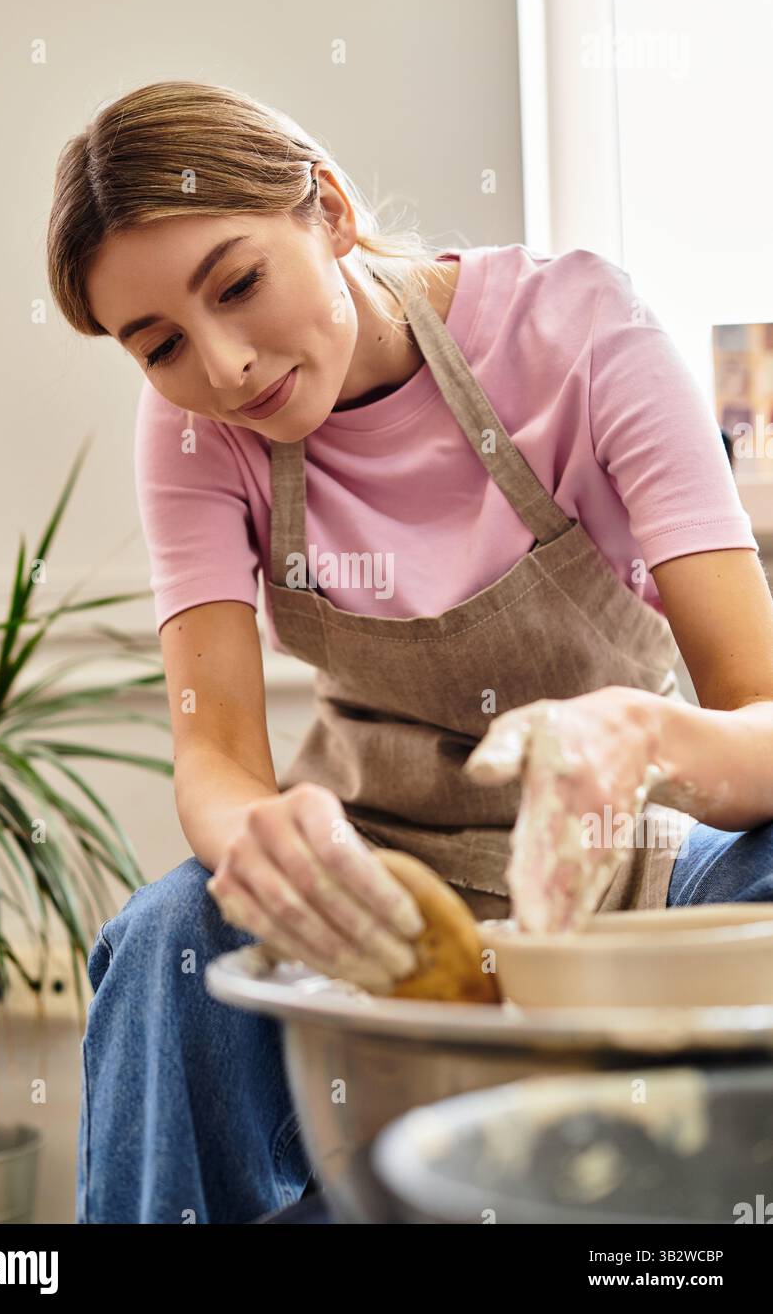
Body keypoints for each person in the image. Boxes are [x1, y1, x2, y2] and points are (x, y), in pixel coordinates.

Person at [46, 80, 773, 1224]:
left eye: (237, 283)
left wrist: (645, 737)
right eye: (160, 345)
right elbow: (218, 753)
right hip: (373, 878)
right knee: (164, 937)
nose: (223, 366)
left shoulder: (582, 333)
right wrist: (259, 836)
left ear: (327, 209)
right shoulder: (196, 428)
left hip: (622, 862)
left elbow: (761, 711)